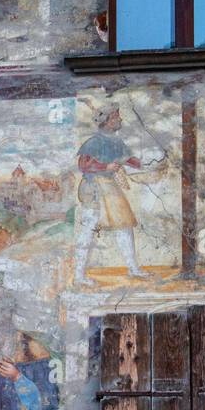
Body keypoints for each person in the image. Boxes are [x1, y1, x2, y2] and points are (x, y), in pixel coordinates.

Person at [75, 107, 146, 283]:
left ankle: (133, 268)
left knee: (125, 225)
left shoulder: (117, 142)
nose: (120, 119)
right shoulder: (94, 142)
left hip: (109, 186)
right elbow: (83, 166)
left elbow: (132, 161)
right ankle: (79, 275)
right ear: (106, 121)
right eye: (116, 117)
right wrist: (105, 167)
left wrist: (154, 161)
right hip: (93, 187)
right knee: (88, 230)